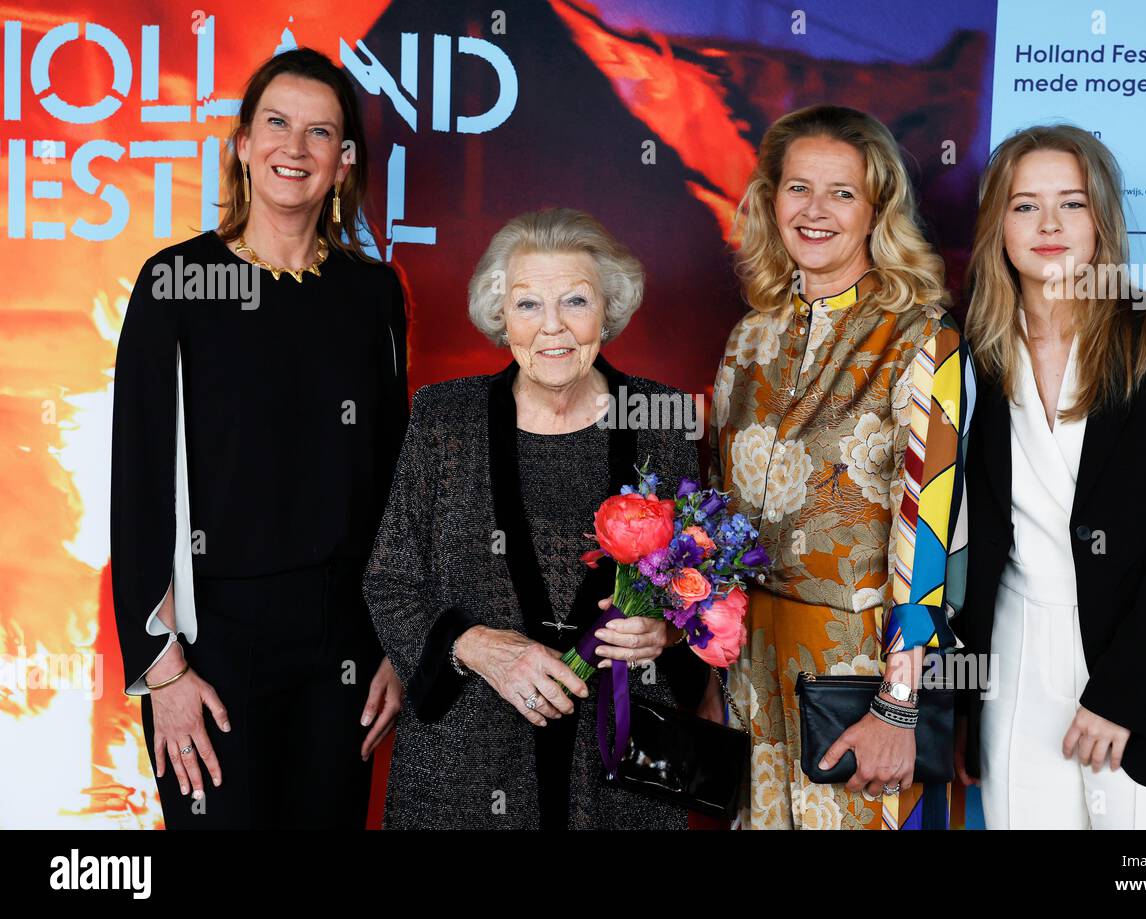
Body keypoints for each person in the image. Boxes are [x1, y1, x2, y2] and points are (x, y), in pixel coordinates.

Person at [110, 48, 408, 829]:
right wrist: (162, 669)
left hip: (342, 646)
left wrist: (394, 644)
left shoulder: (373, 293)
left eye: (320, 134)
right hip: (214, 646)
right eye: (276, 123)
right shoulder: (175, 282)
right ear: (242, 144)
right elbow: (138, 484)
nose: (294, 148)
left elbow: (395, 483)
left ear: (343, 164)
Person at [364, 207, 709, 830]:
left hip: (617, 770)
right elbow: (390, 583)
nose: (552, 328)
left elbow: (701, 585)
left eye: (575, 301)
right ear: (501, 316)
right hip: (466, 768)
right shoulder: (446, 418)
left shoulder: (661, 416)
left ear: (609, 308)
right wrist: (477, 647)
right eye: (527, 305)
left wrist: (672, 634)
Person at [954, 124, 1146, 829]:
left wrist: (1127, 692)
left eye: (1071, 203)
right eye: (1024, 206)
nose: (1049, 224)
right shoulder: (972, 360)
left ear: (1102, 219)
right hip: (1017, 666)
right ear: (998, 225)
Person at [707, 104, 973, 829]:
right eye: (798, 188)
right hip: (749, 672)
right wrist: (712, 670)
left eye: (842, 192)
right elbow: (715, 526)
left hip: (857, 675)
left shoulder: (922, 336)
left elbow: (930, 539)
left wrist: (899, 703)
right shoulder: (748, 338)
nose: (815, 210)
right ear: (771, 200)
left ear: (876, 210)